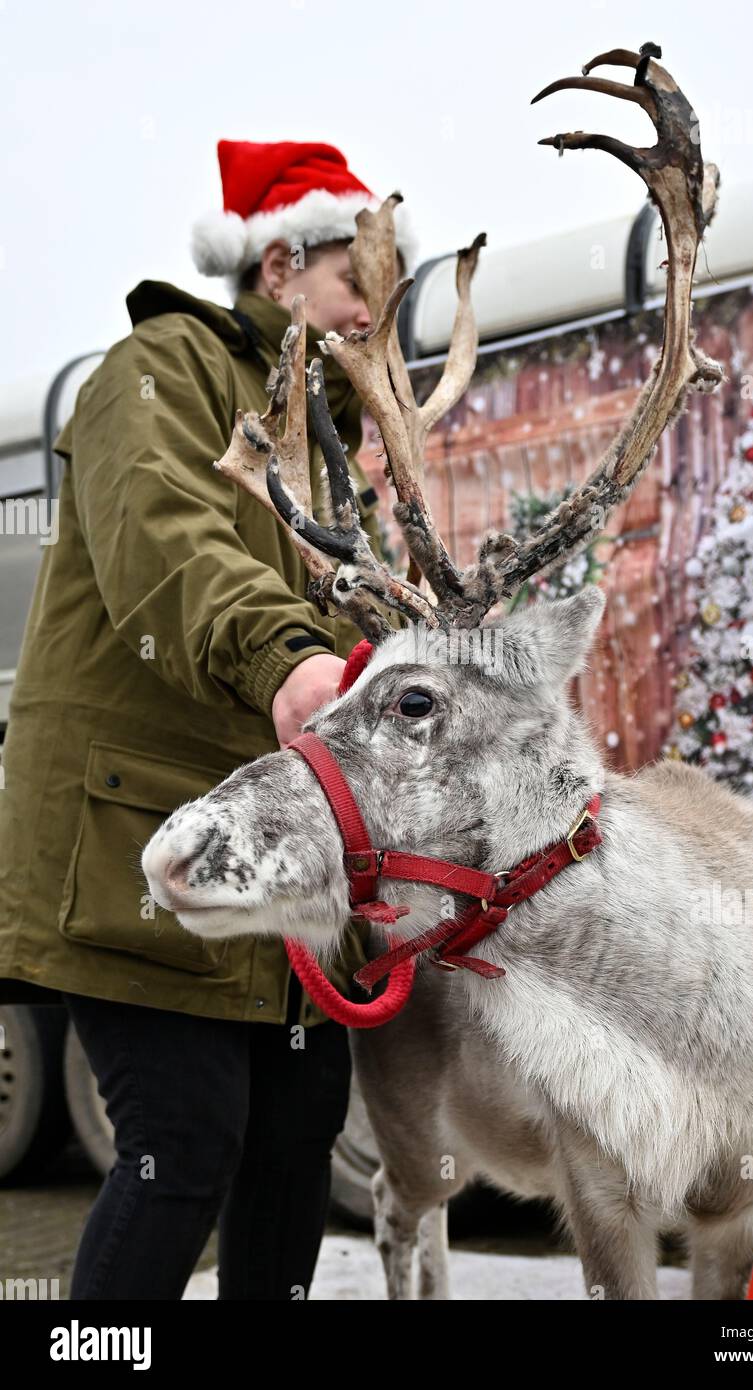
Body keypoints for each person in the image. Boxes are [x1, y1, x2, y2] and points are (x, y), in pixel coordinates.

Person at [0, 140, 416, 1299]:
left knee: (292, 1145)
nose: (374, 309)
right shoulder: (156, 370)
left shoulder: (330, 451)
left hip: (277, 870)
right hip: (139, 837)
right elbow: (165, 541)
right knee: (180, 1142)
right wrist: (289, 658)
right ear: (278, 266)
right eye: (353, 279)